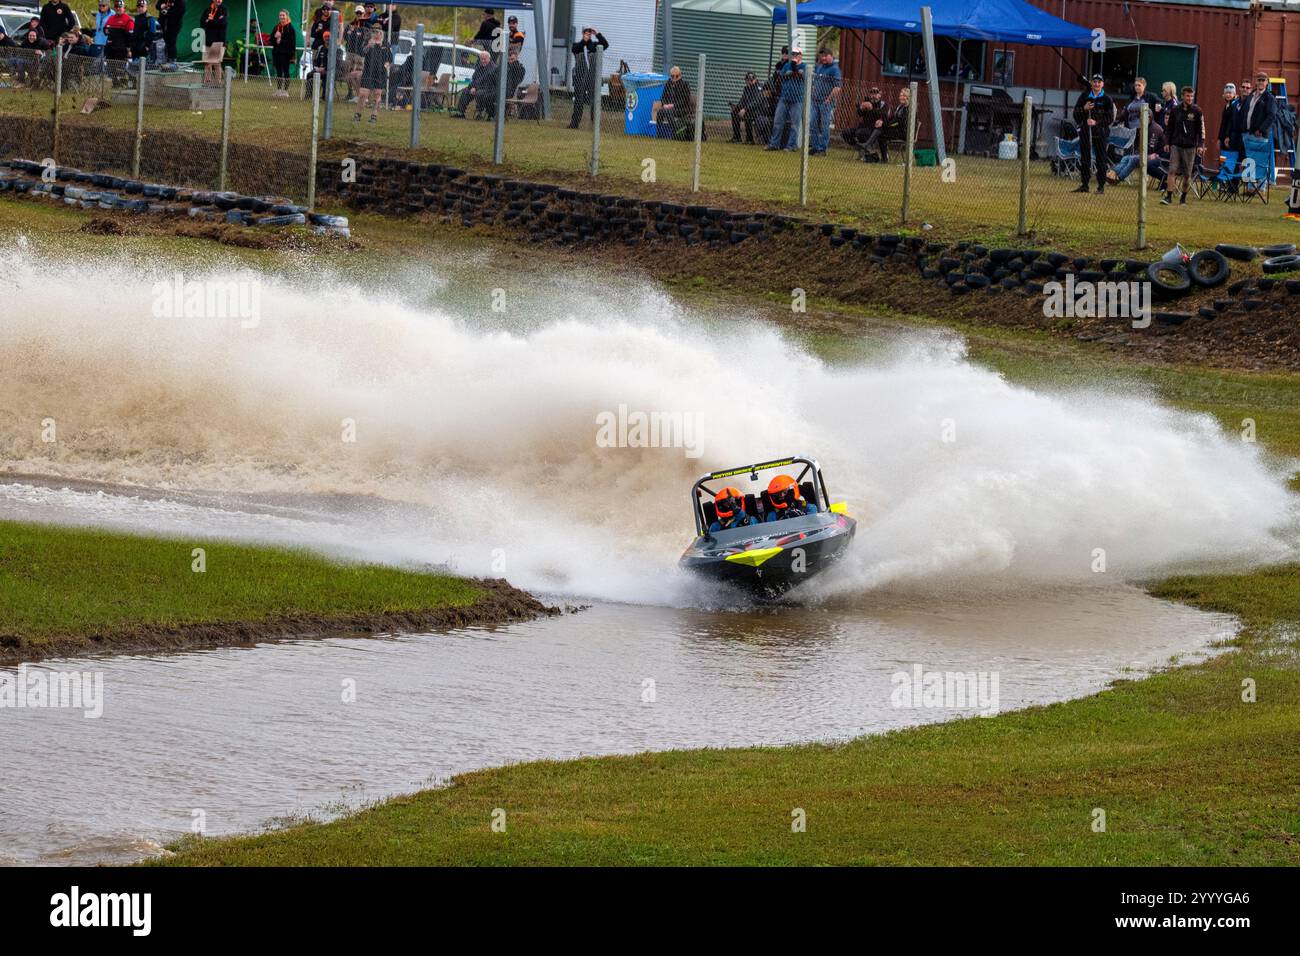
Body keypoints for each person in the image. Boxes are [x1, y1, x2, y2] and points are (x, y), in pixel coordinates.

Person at [1072, 73, 1115, 194]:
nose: (1096, 84)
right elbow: (1075, 114)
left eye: (1099, 82)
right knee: (1085, 159)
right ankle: (1084, 185)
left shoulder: (1107, 99)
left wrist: (1096, 122)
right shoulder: (1084, 96)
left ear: (1102, 84)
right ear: (1091, 83)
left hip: (1100, 134)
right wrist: (1084, 109)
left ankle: (1101, 187)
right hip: (1086, 133)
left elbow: (1110, 118)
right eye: (1094, 82)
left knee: (1101, 159)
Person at [1161, 85, 1203, 205]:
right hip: (1176, 145)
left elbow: (1201, 129)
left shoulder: (1197, 111)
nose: (1190, 98)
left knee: (1187, 175)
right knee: (1172, 170)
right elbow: (1170, 128)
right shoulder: (1175, 110)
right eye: (1187, 96)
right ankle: (1168, 196)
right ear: (1182, 96)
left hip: (1190, 147)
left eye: (1191, 96)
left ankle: (1183, 197)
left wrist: (1200, 144)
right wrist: (1167, 142)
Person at [1107, 115, 1166, 187]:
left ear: (1150, 118)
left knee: (1133, 159)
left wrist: (1139, 155)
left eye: (1143, 118)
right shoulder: (1145, 127)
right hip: (1146, 154)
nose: (1141, 120)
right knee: (1126, 158)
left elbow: (1151, 148)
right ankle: (1114, 173)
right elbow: (1141, 145)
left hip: (1156, 156)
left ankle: (1118, 178)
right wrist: (1137, 153)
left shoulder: (1154, 128)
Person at [765, 46, 804, 151]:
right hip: (784, 97)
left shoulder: (804, 66)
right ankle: (774, 144)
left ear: (801, 55)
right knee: (778, 121)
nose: (794, 56)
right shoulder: (787, 65)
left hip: (797, 99)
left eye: (796, 54)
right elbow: (782, 77)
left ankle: (791, 146)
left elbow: (802, 76)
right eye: (793, 54)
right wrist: (792, 72)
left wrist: (794, 70)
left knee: (794, 124)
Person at [568, 25, 607, 129]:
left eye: (589, 33)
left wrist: (597, 34)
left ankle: (595, 125)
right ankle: (574, 123)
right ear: (582, 34)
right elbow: (575, 49)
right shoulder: (578, 45)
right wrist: (583, 41)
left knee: (594, 101)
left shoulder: (594, 46)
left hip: (592, 77)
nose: (588, 35)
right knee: (578, 102)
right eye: (586, 33)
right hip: (580, 78)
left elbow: (605, 44)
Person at [808, 48, 841, 156]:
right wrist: (812, 93)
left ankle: (822, 149)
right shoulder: (819, 67)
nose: (823, 58)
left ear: (831, 55)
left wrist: (829, 99)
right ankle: (815, 147)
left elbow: (837, 87)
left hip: (825, 102)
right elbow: (814, 82)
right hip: (815, 101)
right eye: (821, 56)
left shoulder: (834, 69)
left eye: (825, 56)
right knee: (812, 124)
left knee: (824, 126)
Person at [353, 25, 388, 122]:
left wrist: (385, 65)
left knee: (377, 95)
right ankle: (358, 115)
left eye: (378, 31)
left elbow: (390, 58)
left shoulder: (385, 43)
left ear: (382, 32)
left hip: (380, 73)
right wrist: (368, 45)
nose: (376, 33)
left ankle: (374, 116)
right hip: (368, 71)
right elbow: (362, 53)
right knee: (363, 94)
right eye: (374, 31)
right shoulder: (368, 41)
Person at [841, 87, 886, 159]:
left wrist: (871, 109)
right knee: (845, 133)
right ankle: (860, 149)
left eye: (875, 93)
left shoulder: (883, 104)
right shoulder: (867, 101)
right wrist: (861, 108)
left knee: (860, 133)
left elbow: (883, 115)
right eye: (871, 93)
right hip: (863, 127)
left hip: (874, 129)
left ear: (880, 94)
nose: (873, 95)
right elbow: (859, 114)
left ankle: (866, 151)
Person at [478, 48, 524, 118]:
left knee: (489, 96)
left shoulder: (520, 68)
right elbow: (492, 74)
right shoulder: (503, 66)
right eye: (509, 59)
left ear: (517, 58)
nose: (510, 61)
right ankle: (486, 113)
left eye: (513, 59)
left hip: (508, 91)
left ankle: (492, 115)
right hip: (496, 88)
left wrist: (513, 64)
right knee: (482, 94)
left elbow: (517, 79)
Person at [655, 65, 692, 140]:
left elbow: (684, 100)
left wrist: (673, 105)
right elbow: (663, 97)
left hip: (681, 109)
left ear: (680, 75)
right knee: (659, 112)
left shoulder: (685, 84)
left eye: (676, 76)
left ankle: (675, 133)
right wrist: (665, 104)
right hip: (668, 108)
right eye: (672, 76)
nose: (674, 78)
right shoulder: (668, 83)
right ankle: (659, 134)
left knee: (668, 112)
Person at [453, 50, 492, 117]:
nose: (483, 61)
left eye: (484, 59)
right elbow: (474, 79)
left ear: (489, 59)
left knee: (479, 93)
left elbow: (486, 82)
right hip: (477, 87)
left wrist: (475, 88)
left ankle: (479, 113)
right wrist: (471, 87)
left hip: (487, 89)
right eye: (481, 59)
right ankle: (460, 112)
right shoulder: (479, 67)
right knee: (465, 91)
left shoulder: (492, 68)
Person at [728, 71, 764, 144]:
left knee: (748, 115)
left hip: (757, 111)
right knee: (734, 113)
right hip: (747, 110)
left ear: (754, 80)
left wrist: (745, 109)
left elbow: (756, 102)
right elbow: (743, 100)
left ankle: (749, 139)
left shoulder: (759, 88)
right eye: (747, 80)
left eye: (749, 80)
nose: (747, 82)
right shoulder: (747, 89)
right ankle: (737, 137)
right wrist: (737, 107)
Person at [199, 0, 226, 86]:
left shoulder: (224, 10)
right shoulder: (207, 10)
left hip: (218, 41)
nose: (218, 1)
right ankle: (207, 82)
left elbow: (222, 23)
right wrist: (215, 21)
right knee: (207, 63)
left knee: (217, 63)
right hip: (207, 41)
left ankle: (218, 83)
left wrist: (209, 21)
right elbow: (202, 23)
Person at [344, 5, 368, 101]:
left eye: (360, 13)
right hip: (350, 52)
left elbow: (365, 39)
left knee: (358, 74)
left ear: (363, 14)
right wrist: (353, 32)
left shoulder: (366, 25)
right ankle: (350, 92)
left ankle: (361, 94)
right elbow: (346, 37)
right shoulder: (350, 24)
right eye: (357, 13)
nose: (358, 15)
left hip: (360, 54)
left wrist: (355, 33)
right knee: (349, 72)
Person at [270, 9, 296, 96]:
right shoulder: (276, 27)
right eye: (280, 15)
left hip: (286, 54)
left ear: (287, 16)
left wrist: (281, 40)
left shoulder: (290, 28)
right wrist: (275, 37)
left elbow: (292, 42)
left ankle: (285, 91)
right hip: (277, 53)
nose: (281, 17)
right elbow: (271, 41)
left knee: (286, 71)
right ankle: (278, 89)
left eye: (283, 15)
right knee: (278, 72)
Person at [157, 0, 185, 70]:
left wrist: (168, 13)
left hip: (174, 24)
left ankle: (172, 62)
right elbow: (157, 5)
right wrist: (161, 6)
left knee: (171, 41)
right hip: (163, 23)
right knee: (164, 41)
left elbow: (181, 10)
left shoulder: (180, 1)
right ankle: (164, 60)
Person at [1218, 83, 1243, 155]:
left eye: (1230, 93)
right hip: (1224, 137)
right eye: (1226, 93)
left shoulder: (1235, 105)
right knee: (1223, 159)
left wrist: (1228, 136)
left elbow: (1232, 122)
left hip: (1231, 138)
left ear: (1234, 94)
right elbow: (1223, 123)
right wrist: (1219, 138)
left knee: (1229, 159)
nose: (1228, 95)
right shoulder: (1227, 105)